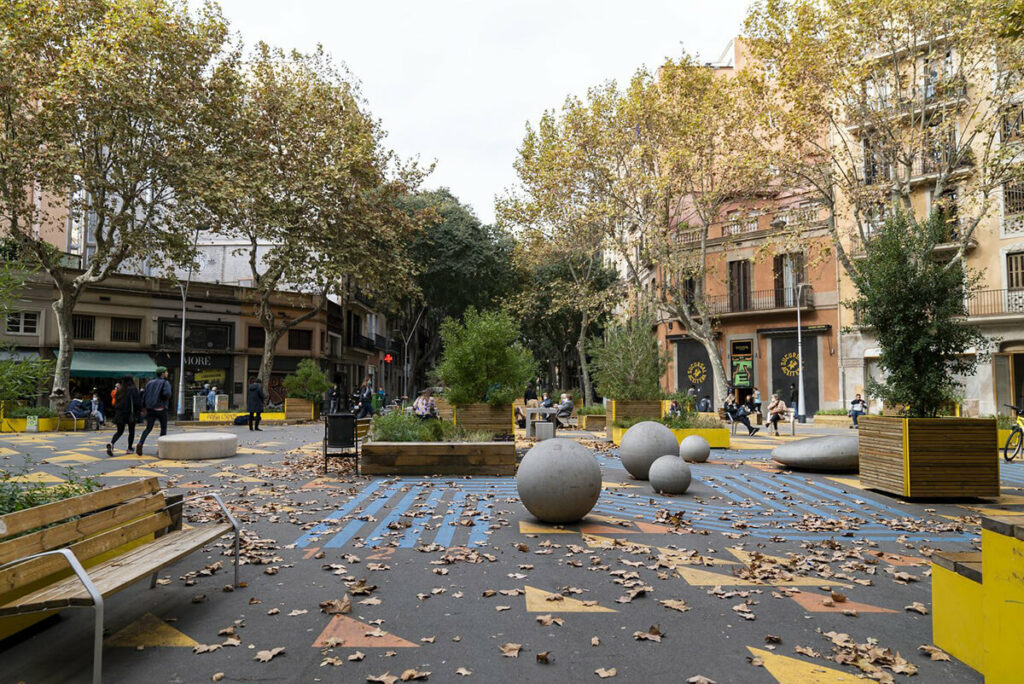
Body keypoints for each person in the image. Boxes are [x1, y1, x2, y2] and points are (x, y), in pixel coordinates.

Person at [136, 367, 172, 455]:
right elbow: (167, 393)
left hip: (150, 409)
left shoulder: (149, 383)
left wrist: (144, 407)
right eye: (166, 372)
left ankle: (140, 443)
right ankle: (161, 449)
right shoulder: (165, 382)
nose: (167, 373)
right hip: (161, 408)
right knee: (163, 429)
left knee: (148, 428)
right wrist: (163, 399)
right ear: (163, 373)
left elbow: (144, 396)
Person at [107, 376, 140, 456]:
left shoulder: (120, 390)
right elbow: (137, 402)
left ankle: (112, 444)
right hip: (130, 414)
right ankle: (129, 448)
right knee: (131, 431)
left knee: (119, 431)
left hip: (120, 414)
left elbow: (116, 403)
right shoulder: (133, 389)